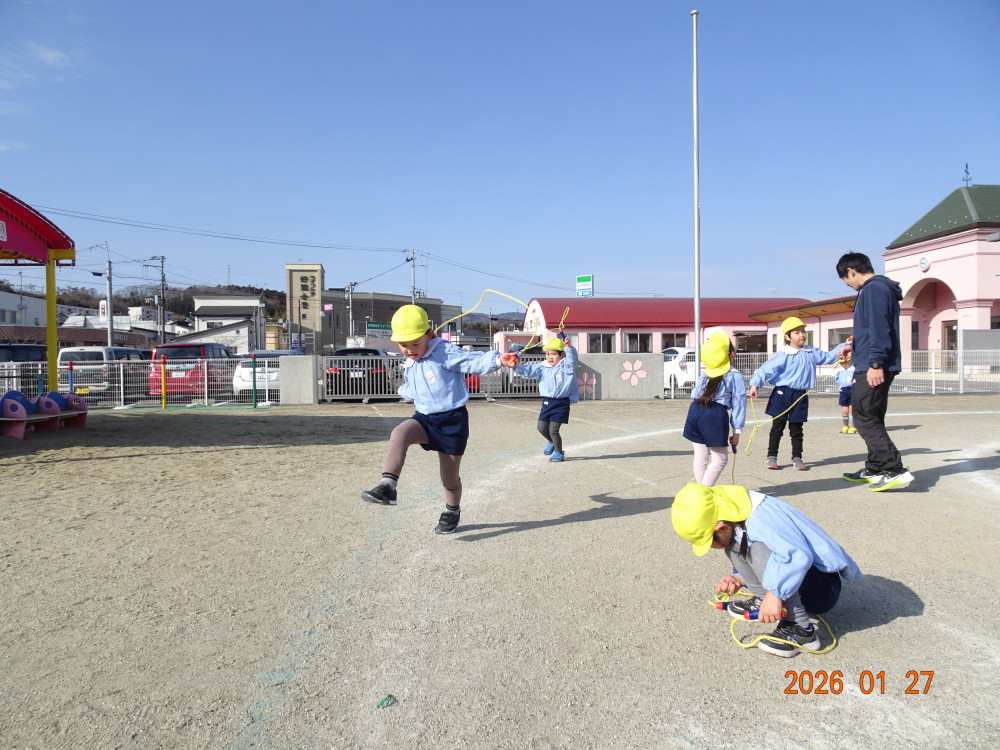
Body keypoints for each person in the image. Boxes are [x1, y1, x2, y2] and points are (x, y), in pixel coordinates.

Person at [361, 304, 513, 534]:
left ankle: (452, 510)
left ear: (429, 334)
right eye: (404, 345)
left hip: (452, 421)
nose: (410, 350)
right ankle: (388, 487)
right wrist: (404, 391)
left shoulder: (443, 351)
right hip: (424, 419)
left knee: (448, 479)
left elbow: (471, 361)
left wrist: (498, 360)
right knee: (399, 433)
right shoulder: (411, 360)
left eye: (415, 343)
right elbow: (415, 388)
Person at [671, 481, 862, 657]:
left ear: (720, 528)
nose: (712, 547)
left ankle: (801, 628)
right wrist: (740, 578)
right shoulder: (734, 512)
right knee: (734, 544)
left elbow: (796, 555)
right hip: (800, 580)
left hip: (822, 589)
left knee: (757, 547)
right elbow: (741, 543)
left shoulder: (761, 520)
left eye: (710, 541)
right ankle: (765, 599)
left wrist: (775, 594)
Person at [836, 252, 914, 491]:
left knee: (864, 416)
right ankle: (876, 466)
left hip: (873, 365)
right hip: (871, 360)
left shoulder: (873, 289)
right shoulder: (877, 290)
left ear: (851, 271)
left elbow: (880, 329)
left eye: (845, 279)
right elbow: (872, 329)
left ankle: (894, 468)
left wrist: (875, 363)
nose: (848, 284)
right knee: (873, 416)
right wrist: (853, 346)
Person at [747, 317, 848, 471]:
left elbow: (829, 357)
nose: (801, 335)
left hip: (800, 395)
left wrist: (845, 345)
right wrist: (755, 384)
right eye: (797, 332)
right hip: (782, 394)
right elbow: (766, 369)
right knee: (777, 427)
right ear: (787, 337)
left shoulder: (811, 352)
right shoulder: (784, 354)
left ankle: (797, 457)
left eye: (803, 332)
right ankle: (772, 457)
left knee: (796, 429)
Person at [682, 330, 746, 486]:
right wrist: (737, 431)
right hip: (714, 414)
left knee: (701, 457)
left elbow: (695, 393)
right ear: (731, 354)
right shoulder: (735, 375)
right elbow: (739, 403)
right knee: (720, 459)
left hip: (695, 410)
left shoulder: (705, 373)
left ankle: (701, 491)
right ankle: (704, 492)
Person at [506, 332, 579, 462]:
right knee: (541, 428)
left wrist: (569, 347)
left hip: (561, 403)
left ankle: (559, 452)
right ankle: (552, 442)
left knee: (554, 429)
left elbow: (572, 360)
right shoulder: (543, 367)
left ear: (562, 355)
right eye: (547, 354)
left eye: (553, 354)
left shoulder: (566, 367)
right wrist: (516, 366)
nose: (550, 357)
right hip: (547, 402)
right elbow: (528, 371)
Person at [834, 357, 856, 434]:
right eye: (842, 363)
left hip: (852, 389)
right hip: (843, 390)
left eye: (846, 362)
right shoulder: (840, 370)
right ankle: (845, 426)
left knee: (853, 409)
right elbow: (837, 379)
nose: (844, 364)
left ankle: (854, 426)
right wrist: (840, 386)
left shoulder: (853, 369)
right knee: (844, 409)